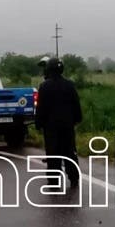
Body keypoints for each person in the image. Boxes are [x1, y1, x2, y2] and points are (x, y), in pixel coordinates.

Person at [35, 56, 83, 188]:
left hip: (51, 127)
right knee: (69, 151)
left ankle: (54, 180)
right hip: (67, 125)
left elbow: (41, 108)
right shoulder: (69, 85)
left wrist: (38, 123)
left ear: (48, 69)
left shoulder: (44, 86)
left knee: (53, 152)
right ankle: (74, 177)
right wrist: (77, 119)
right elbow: (76, 104)